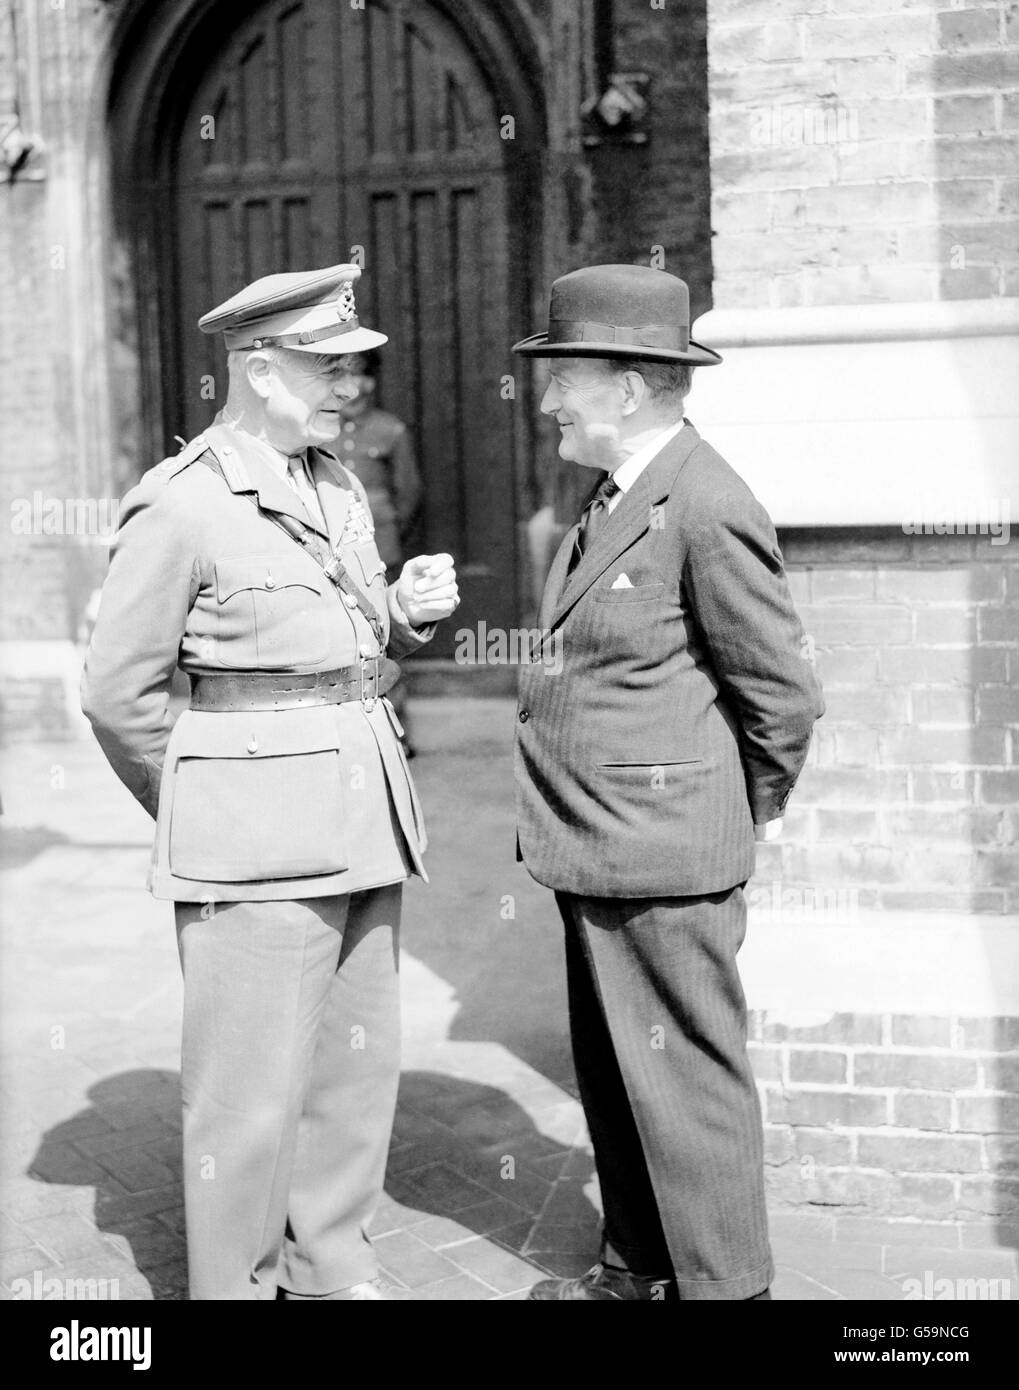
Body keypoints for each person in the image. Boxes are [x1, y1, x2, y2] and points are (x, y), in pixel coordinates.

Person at [81, 263, 459, 1301]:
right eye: (327, 365)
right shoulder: (186, 503)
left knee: (351, 1072)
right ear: (256, 366)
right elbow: (118, 691)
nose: (350, 386)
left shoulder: (332, 482)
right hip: (252, 842)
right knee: (245, 1099)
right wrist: (206, 800)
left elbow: (344, 631)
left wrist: (405, 614)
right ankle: (235, 1287)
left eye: (354, 366)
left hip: (364, 816)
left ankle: (329, 1267)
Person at [511, 264, 824, 1301]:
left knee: (687, 1089)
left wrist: (745, 808)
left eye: (563, 375)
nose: (546, 397)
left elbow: (779, 693)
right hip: (593, 847)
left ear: (632, 385)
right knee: (616, 1077)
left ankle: (728, 1287)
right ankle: (636, 1266)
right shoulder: (611, 495)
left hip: (664, 855)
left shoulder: (704, 502)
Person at [332, 349, 422, 751]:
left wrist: (385, 534)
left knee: (387, 635)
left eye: (362, 376)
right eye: (345, 376)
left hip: (381, 548)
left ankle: (396, 730)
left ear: (372, 382)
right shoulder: (321, 431)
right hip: (330, 551)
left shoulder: (390, 430)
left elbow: (409, 493)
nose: (354, 387)